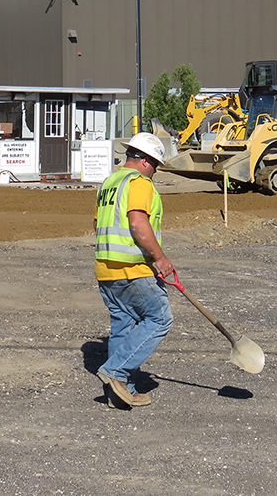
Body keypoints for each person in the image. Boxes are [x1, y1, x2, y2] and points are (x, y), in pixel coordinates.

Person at [93, 132, 175, 409]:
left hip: (106, 270)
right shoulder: (138, 182)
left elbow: (98, 226)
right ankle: (116, 371)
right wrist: (160, 258)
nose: (155, 172)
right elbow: (138, 224)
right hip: (132, 269)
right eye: (155, 165)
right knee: (160, 318)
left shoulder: (109, 183)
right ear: (145, 161)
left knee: (123, 325)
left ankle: (119, 391)